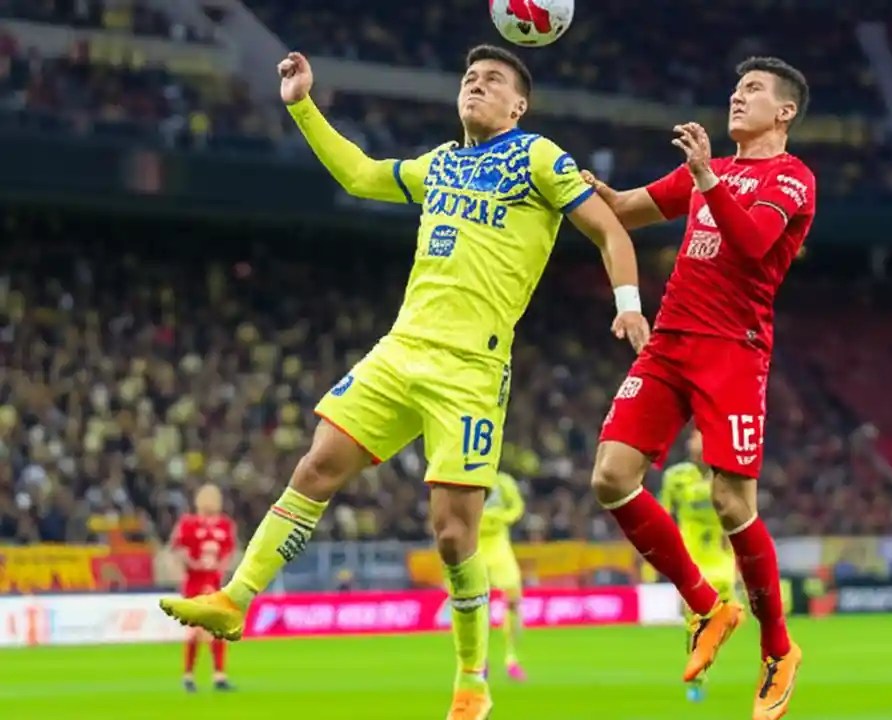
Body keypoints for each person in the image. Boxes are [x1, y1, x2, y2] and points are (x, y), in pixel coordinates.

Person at [159, 45, 649, 720]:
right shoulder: (440, 164)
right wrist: (302, 104)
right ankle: (236, 598)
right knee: (317, 463)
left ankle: (473, 678)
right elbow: (361, 175)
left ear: (519, 105)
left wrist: (627, 304)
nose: (476, 84)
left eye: (493, 81)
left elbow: (608, 230)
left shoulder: (538, 157)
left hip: (471, 369)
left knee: (452, 535)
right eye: (469, 76)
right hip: (402, 348)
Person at [582, 56, 816, 720]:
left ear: (785, 111)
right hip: (670, 342)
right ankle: (709, 605)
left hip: (732, 352)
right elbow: (625, 209)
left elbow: (751, 245)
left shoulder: (792, 179)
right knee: (611, 475)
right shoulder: (716, 174)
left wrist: (707, 176)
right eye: (735, 87)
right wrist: (576, 185)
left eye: (753, 91)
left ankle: (778, 650)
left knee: (730, 498)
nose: (737, 97)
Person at [658, 428, 739, 703]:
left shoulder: (726, 476)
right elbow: (663, 516)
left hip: (721, 560)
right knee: (693, 620)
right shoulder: (676, 477)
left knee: (730, 616)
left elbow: (734, 521)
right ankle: (698, 674)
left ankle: (706, 651)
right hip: (691, 560)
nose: (697, 442)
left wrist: (738, 560)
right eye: (694, 438)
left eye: (703, 437)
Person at [167, 484, 236, 692]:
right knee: (195, 629)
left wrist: (222, 567)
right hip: (194, 583)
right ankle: (189, 676)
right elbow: (176, 547)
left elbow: (229, 551)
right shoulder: (189, 523)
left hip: (214, 582)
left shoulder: (225, 525)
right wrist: (190, 563)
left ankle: (218, 676)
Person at [478, 470, 527, 681]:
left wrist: (500, 517)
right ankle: (480, 661)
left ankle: (511, 658)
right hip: (475, 545)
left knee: (514, 597)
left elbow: (517, 507)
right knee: (479, 606)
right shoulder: (468, 478)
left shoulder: (503, 481)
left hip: (499, 545)